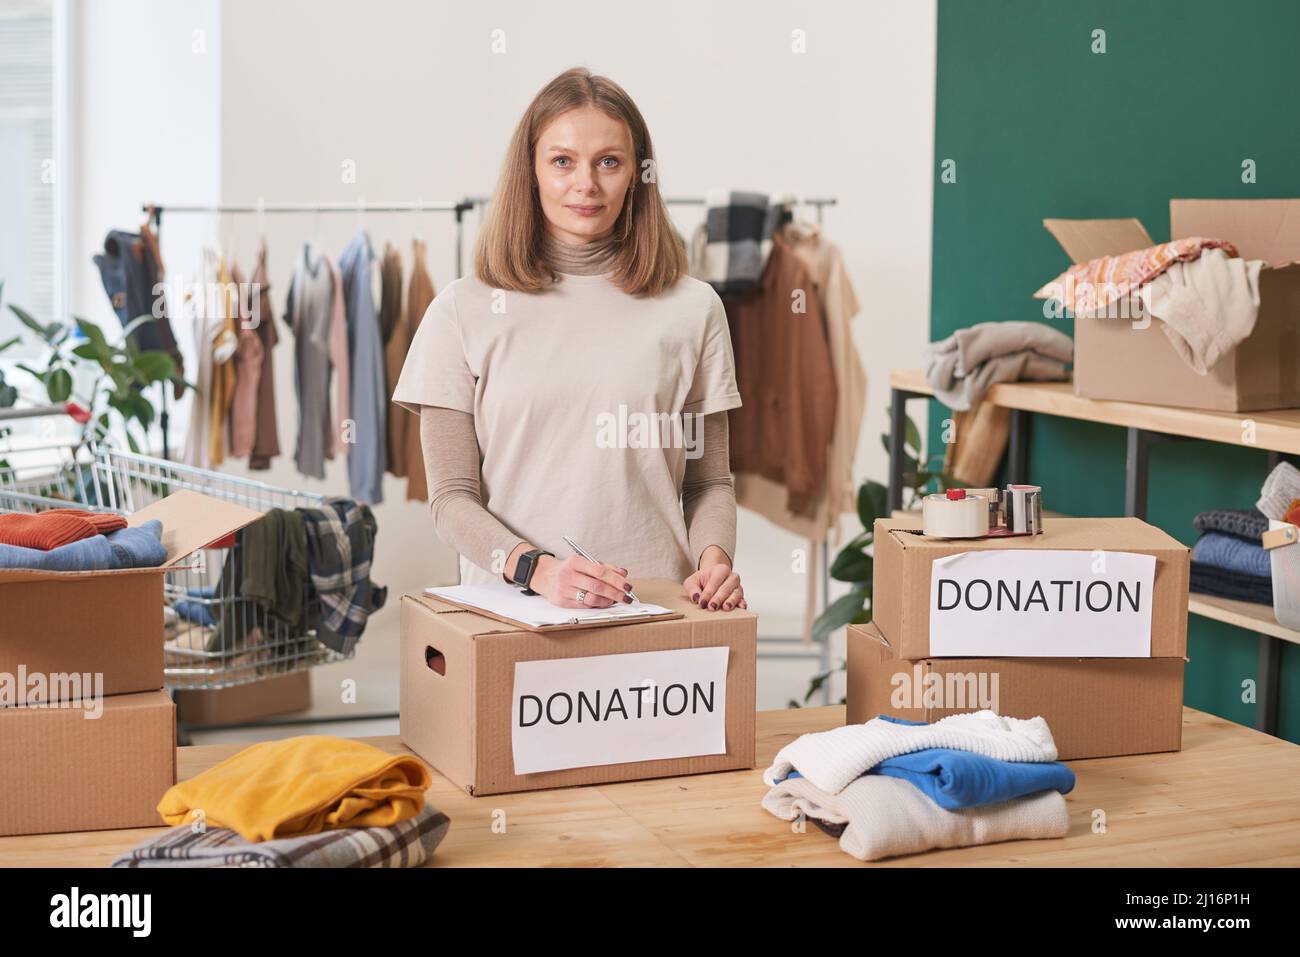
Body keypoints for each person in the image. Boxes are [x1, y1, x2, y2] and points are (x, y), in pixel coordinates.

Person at [393, 67, 746, 614]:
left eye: (609, 161)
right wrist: (538, 570)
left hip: (654, 608)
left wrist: (714, 562)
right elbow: (451, 499)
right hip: (514, 612)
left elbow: (709, 483)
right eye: (562, 161)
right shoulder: (461, 311)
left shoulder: (693, 308)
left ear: (636, 174)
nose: (586, 183)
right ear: (530, 172)